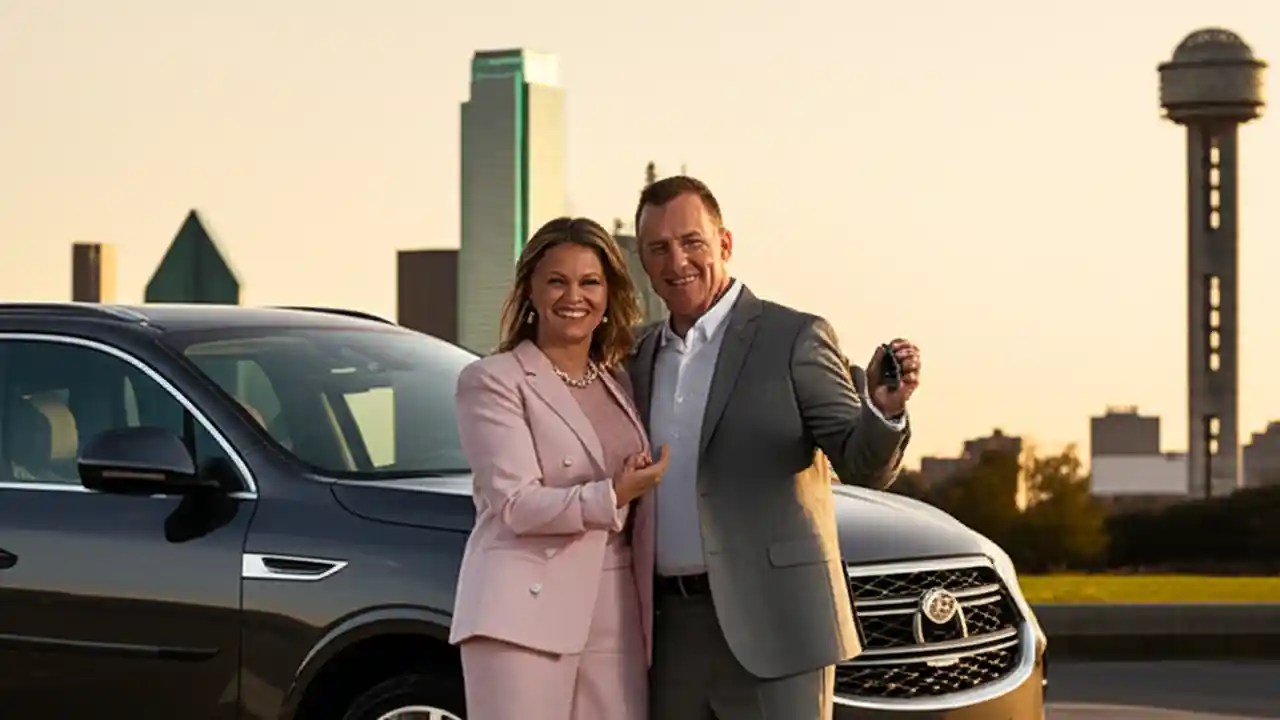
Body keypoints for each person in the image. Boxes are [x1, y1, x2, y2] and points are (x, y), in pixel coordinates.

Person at [627, 176, 922, 720]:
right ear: (643, 261)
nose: (677, 261)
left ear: (725, 243)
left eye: (692, 242)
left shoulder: (794, 338)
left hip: (778, 628)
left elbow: (861, 463)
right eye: (659, 248)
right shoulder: (635, 353)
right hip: (668, 634)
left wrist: (882, 411)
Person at [449, 216, 670, 720]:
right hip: (523, 614)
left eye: (590, 282)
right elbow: (516, 504)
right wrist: (612, 494)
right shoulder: (492, 380)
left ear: (610, 293)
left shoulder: (618, 380)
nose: (575, 297)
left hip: (616, 612)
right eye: (557, 281)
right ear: (530, 289)